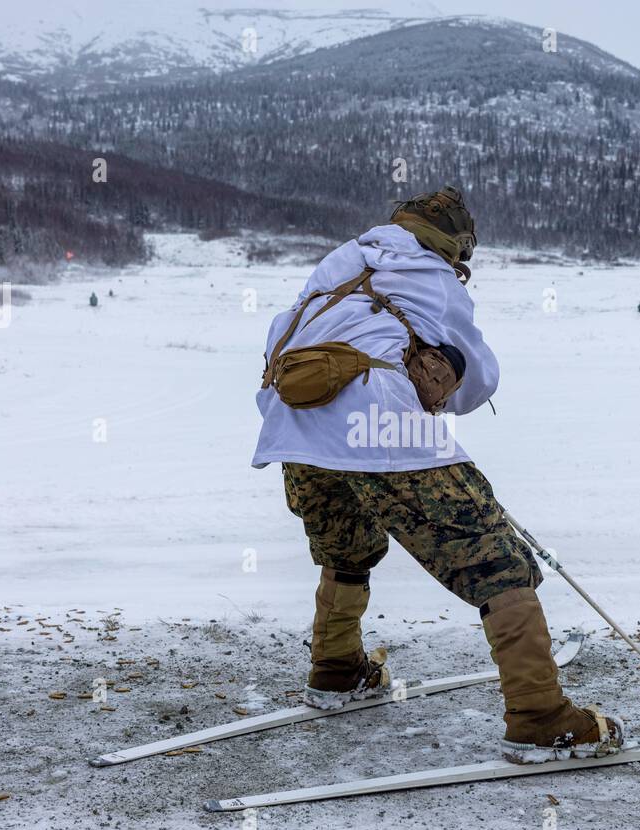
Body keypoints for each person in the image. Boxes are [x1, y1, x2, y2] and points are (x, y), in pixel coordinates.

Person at [251, 186, 621, 764]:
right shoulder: (432, 275)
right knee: (491, 555)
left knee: (345, 546)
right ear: (456, 244)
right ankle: (541, 717)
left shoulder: (340, 263)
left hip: (294, 427)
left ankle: (336, 671)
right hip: (378, 428)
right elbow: (478, 380)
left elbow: (284, 333)